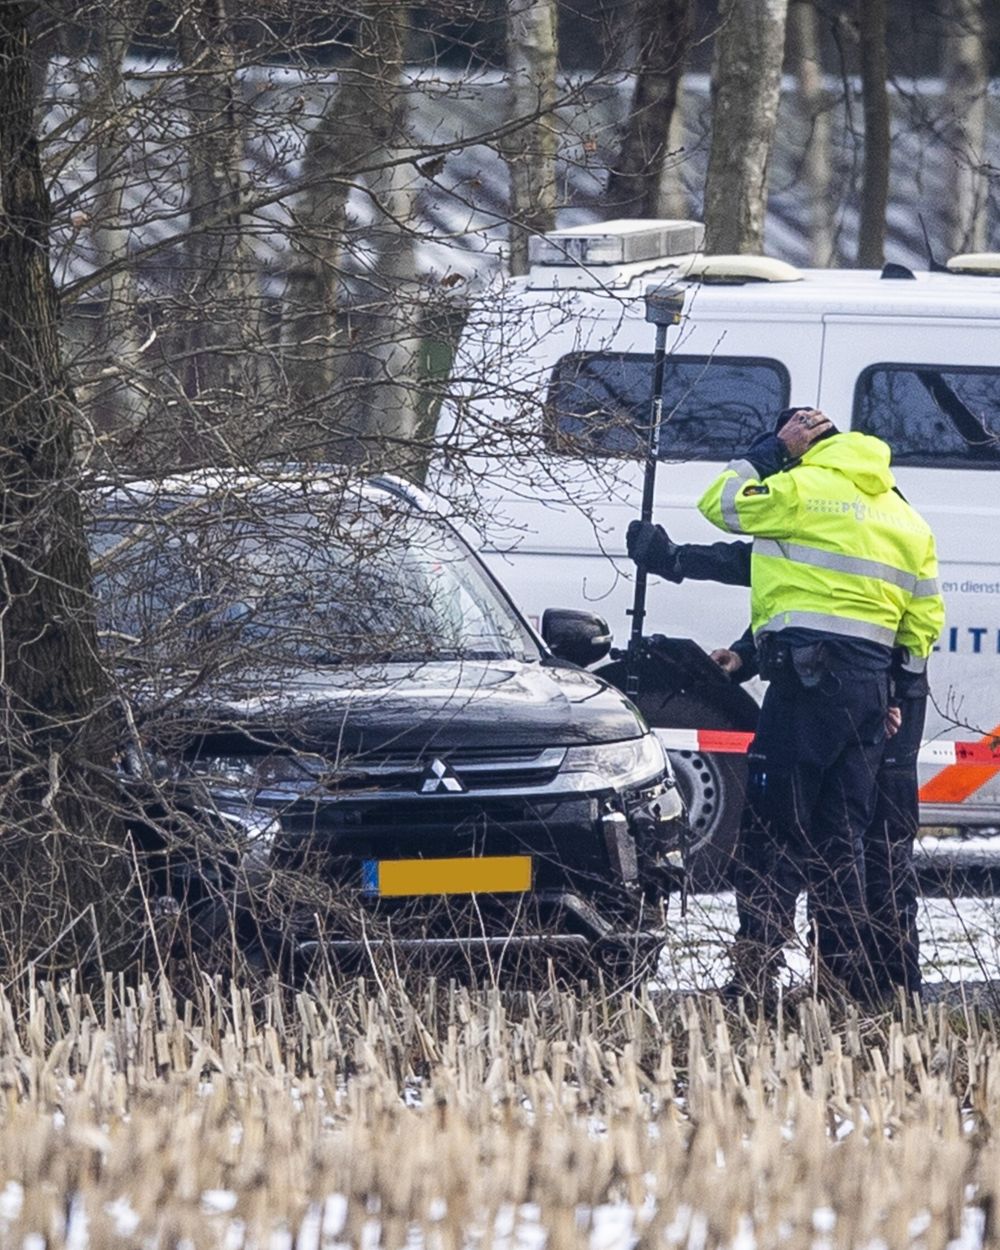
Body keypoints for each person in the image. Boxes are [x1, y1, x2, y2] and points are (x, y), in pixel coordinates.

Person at [629, 408, 944, 1003]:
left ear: (802, 446)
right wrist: (896, 693)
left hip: (806, 692)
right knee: (842, 843)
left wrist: (768, 450)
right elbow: (908, 613)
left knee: (771, 836)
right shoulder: (902, 514)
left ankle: (754, 977)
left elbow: (722, 502)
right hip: (871, 698)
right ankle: (848, 982)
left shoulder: (801, 487)